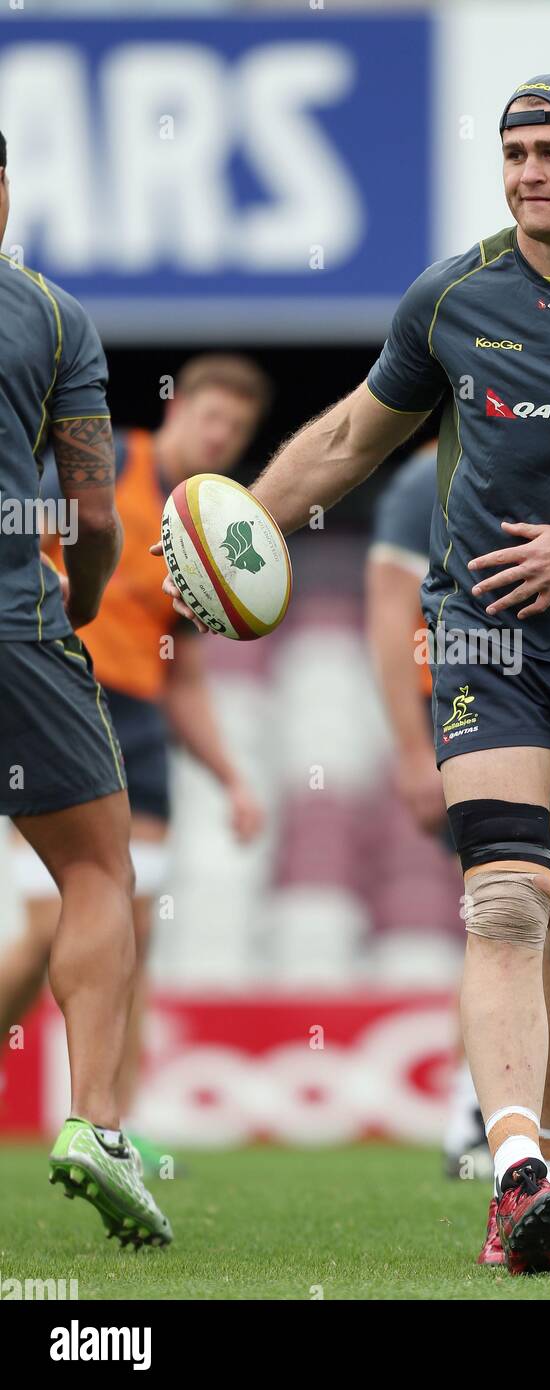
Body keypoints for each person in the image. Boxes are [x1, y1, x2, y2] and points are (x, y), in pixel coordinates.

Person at [163, 71, 550, 1274]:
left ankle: (539, 1150)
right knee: (506, 900)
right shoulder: (452, 295)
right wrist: (237, 535)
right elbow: (347, 437)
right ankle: (513, 1172)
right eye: (511, 152)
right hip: (483, 640)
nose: (526, 171)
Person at [2, 356, 268, 1171]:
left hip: (140, 731)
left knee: (134, 935)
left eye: (237, 428)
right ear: (177, 409)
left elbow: (182, 674)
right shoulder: (108, 467)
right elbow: (19, 552)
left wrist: (230, 776)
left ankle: (113, 1125)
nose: (219, 434)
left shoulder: (205, 535)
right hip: (54, 697)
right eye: (210, 416)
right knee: (56, 923)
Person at [0, 130, 170, 1246]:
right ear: (5, 187)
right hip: (15, 624)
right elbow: (95, 512)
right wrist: (83, 595)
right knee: (99, 867)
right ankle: (96, 1124)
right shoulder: (54, 318)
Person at [366, 441, 491, 1189]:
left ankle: (483, 1109)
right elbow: (389, 608)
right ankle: (471, 1110)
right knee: (505, 902)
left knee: (547, 911)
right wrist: (413, 751)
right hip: (465, 703)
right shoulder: (425, 481)